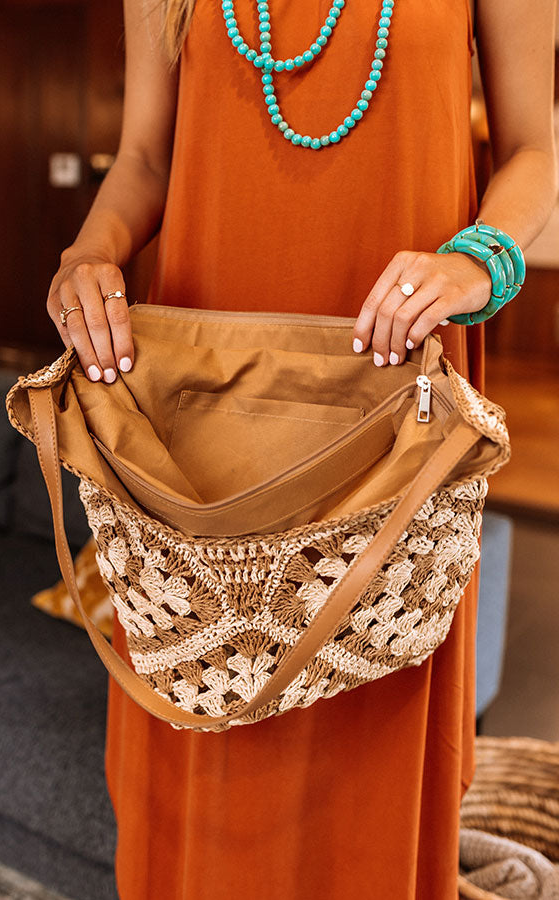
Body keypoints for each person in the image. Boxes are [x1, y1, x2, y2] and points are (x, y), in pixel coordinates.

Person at [46, 0, 558, 896]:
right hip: (202, 425)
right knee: (202, 729)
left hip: (395, 392)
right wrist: (84, 256)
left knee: (372, 743)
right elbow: (144, 160)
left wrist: (480, 260)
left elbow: (532, 151)